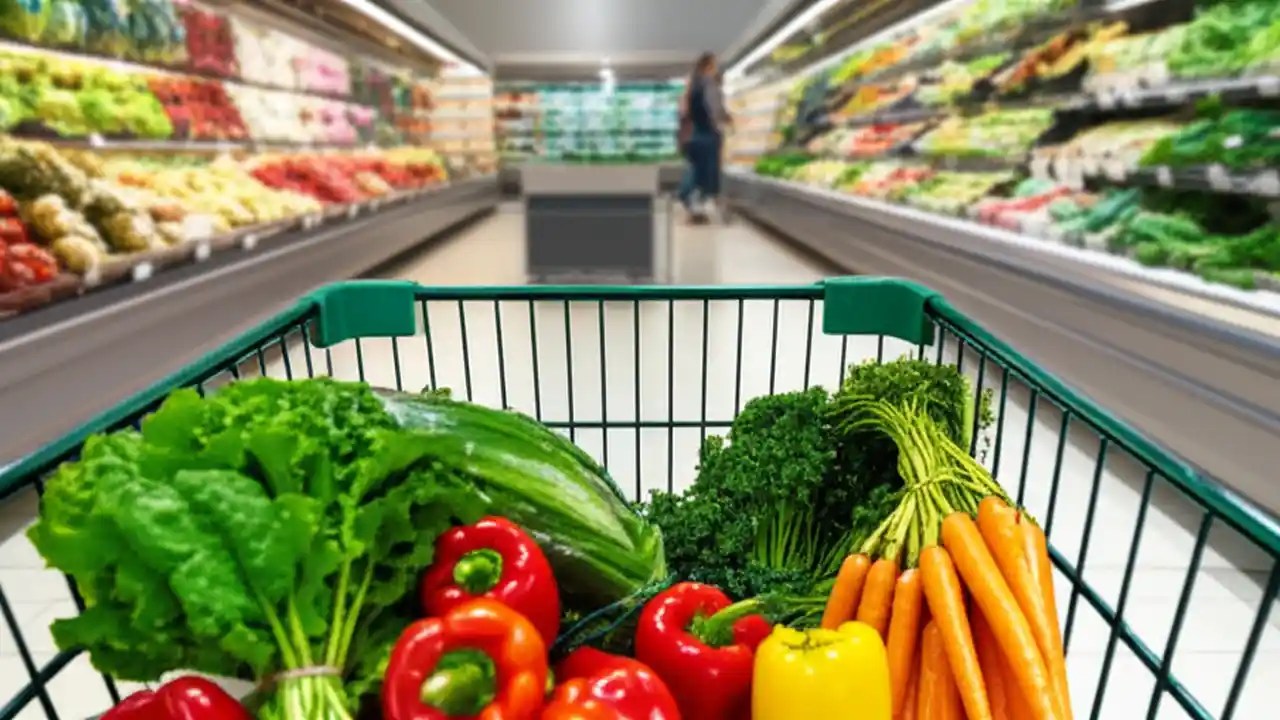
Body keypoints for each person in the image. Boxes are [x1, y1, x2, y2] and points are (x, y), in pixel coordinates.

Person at [677, 52, 731, 223]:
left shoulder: (691, 84)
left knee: (694, 169)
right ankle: (706, 207)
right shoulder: (708, 82)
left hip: (692, 135)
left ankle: (691, 205)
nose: (716, 69)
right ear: (708, 66)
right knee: (708, 173)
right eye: (714, 65)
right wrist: (725, 118)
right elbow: (714, 107)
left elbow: (683, 111)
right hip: (707, 133)